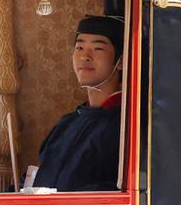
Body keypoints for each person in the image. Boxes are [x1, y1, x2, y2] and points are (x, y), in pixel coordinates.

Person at [32, 15, 124, 192]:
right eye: (80, 48)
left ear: (120, 61)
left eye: (97, 49)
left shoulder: (124, 126)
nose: (85, 56)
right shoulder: (67, 123)